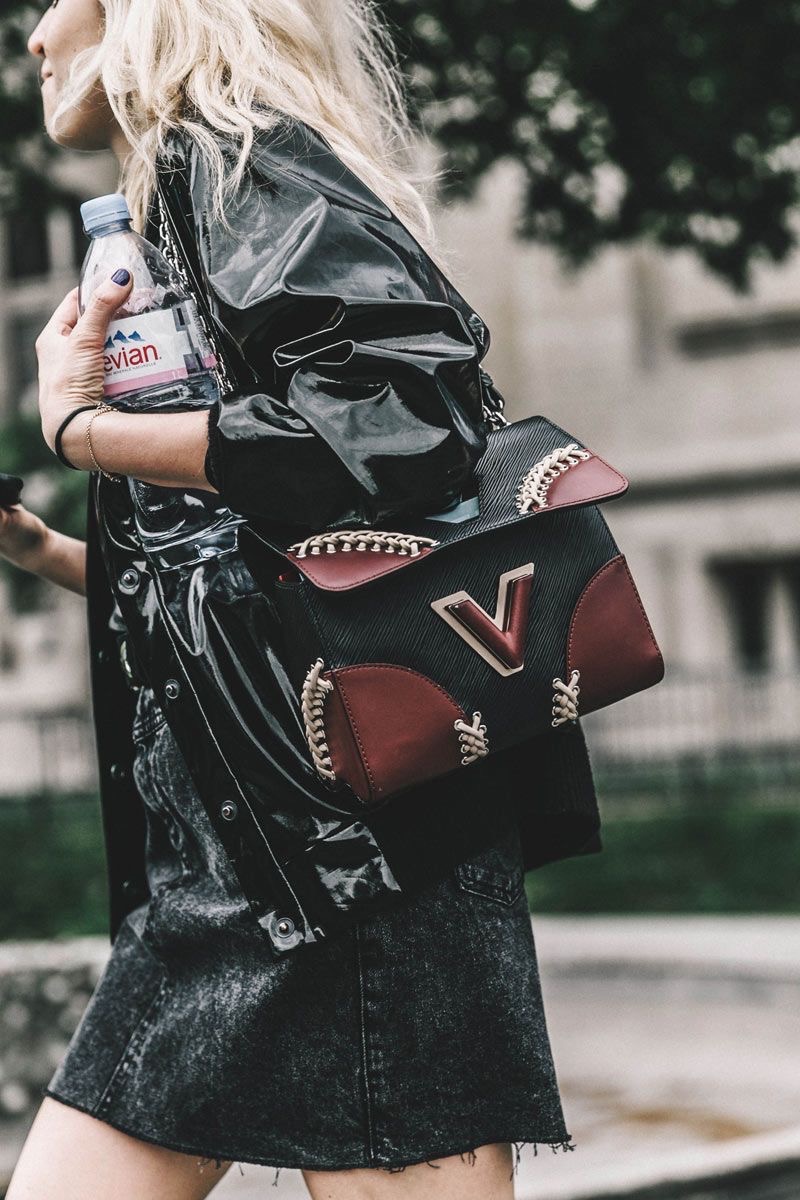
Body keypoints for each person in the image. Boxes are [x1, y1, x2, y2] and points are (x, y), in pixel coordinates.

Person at [3, 0, 602, 1196]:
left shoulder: (230, 159)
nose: (31, 38)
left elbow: (400, 420)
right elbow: (279, 556)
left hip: (348, 867)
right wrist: (48, 550)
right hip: (242, 866)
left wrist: (82, 429)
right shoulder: (184, 203)